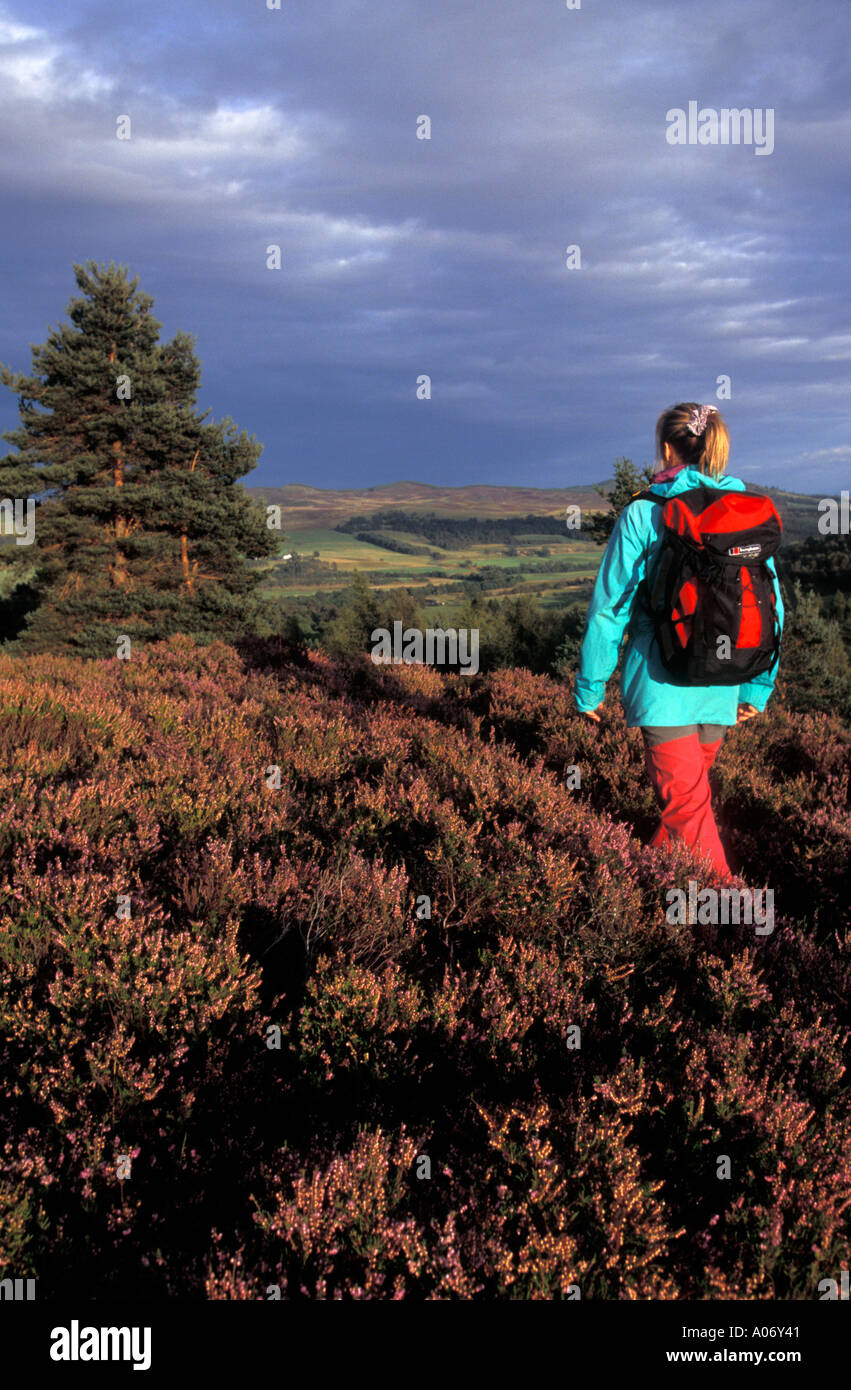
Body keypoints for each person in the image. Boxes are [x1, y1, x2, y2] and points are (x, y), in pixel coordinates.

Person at [574, 402, 784, 878]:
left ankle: (740, 926)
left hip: (661, 683)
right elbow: (772, 605)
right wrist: (758, 686)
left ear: (667, 447)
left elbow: (610, 611)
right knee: (687, 806)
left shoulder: (644, 511)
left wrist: (590, 687)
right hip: (724, 684)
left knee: (687, 812)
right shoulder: (745, 510)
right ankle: (646, 885)